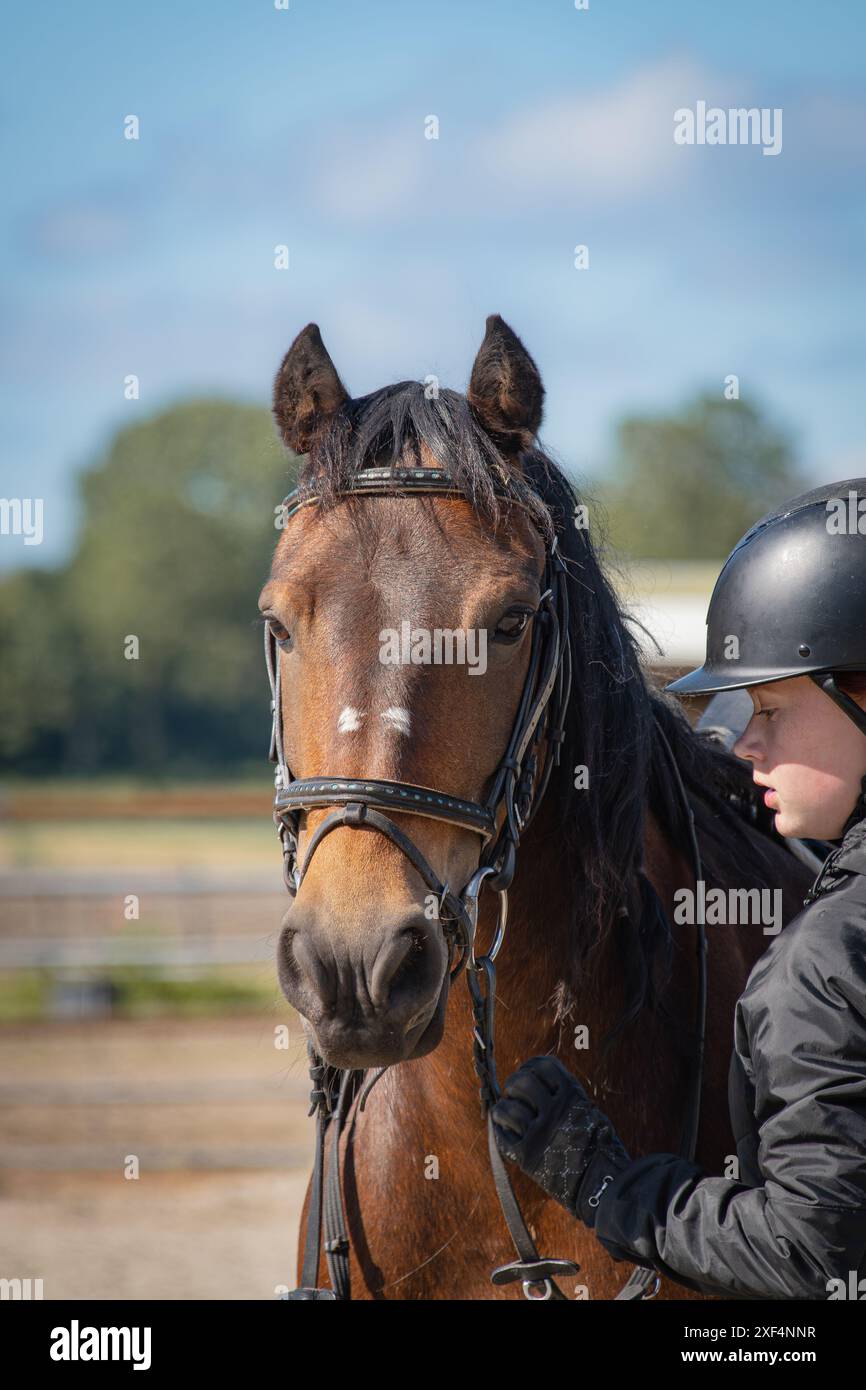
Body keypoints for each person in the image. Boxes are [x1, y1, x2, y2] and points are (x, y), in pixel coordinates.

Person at [491, 479, 866, 1300]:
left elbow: (813, 1259)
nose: (744, 745)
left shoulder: (826, 961)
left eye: (770, 708)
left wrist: (606, 1185)